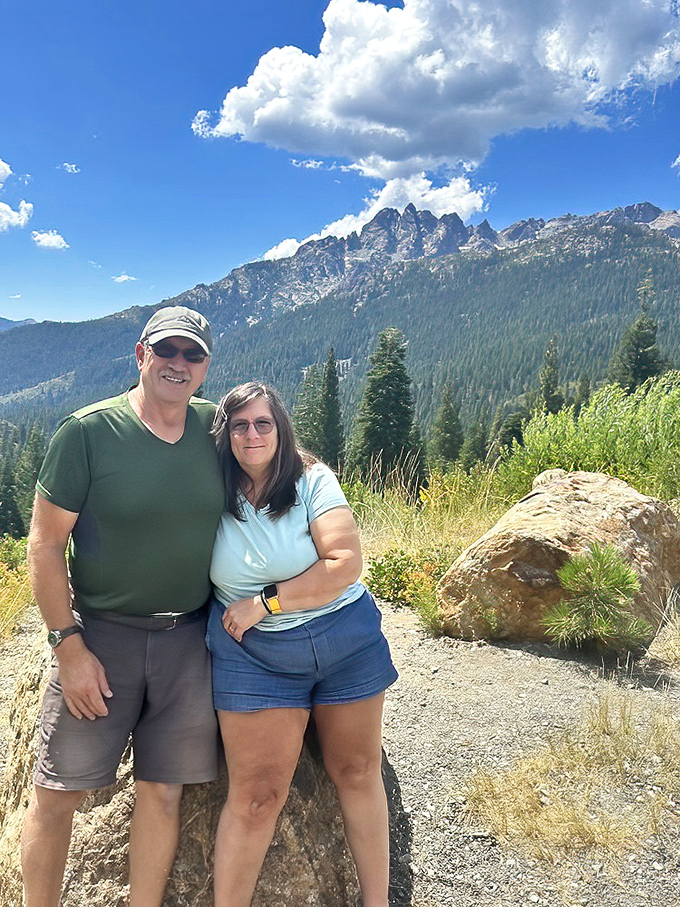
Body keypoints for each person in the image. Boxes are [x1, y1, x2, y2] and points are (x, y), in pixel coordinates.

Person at [20, 306, 225, 907]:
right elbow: (45, 544)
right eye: (167, 351)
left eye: (192, 354)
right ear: (141, 355)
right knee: (57, 794)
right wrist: (68, 647)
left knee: (163, 792)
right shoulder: (87, 432)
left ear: (205, 367)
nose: (178, 363)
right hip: (101, 639)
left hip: (188, 641)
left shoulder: (216, 430)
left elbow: (279, 461)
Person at [208, 381, 398, 907]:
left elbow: (344, 562)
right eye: (240, 425)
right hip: (255, 656)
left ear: (281, 428)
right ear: (225, 434)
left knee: (357, 771)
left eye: (263, 423)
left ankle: (377, 901)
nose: (252, 434)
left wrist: (265, 602)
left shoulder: (312, 478)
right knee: (256, 798)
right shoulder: (209, 489)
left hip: (345, 640)